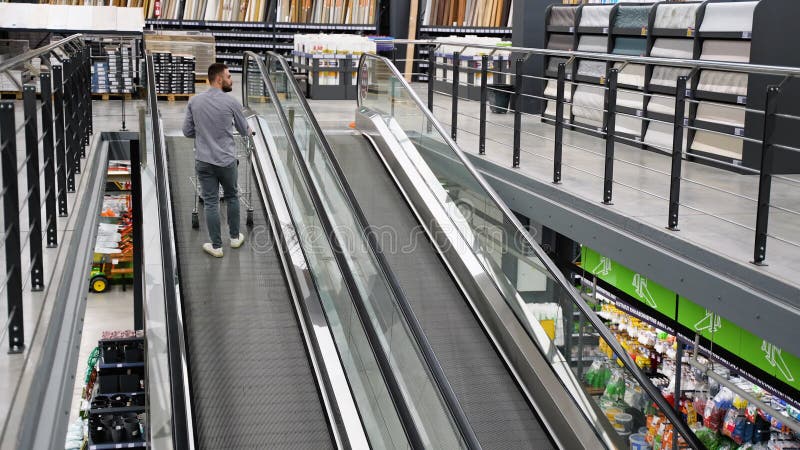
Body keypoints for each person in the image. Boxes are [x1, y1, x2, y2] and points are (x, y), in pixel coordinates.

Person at [182, 63, 251, 258]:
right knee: (232, 196)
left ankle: (216, 246)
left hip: (204, 160)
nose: (232, 80)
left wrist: (203, 131)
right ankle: (235, 237)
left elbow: (187, 131)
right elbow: (243, 128)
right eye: (229, 76)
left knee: (211, 202)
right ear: (219, 79)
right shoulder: (232, 103)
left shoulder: (194, 102)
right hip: (227, 160)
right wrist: (249, 130)